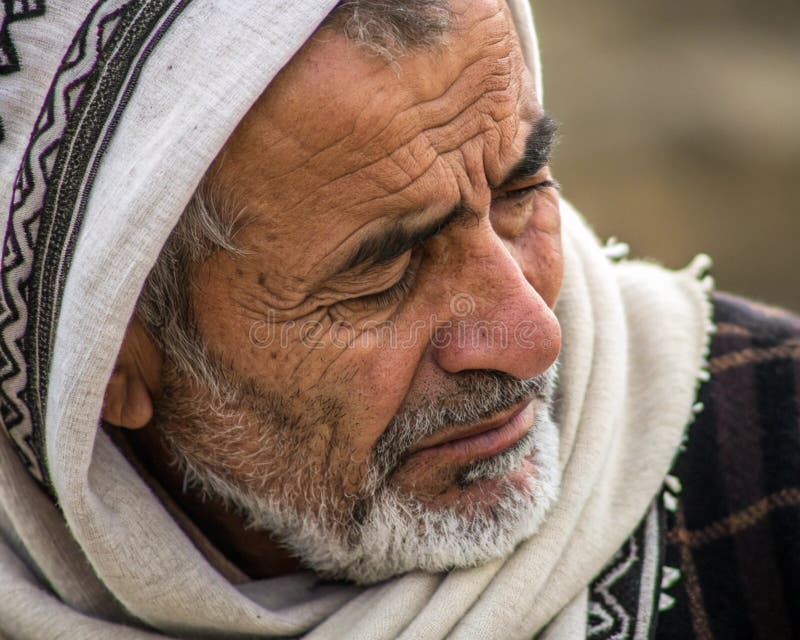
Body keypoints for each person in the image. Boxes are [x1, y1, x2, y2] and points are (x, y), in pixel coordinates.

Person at [0, 1, 797, 638]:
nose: (531, 338)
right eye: (381, 274)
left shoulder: (774, 464)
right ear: (111, 358)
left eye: (519, 194)